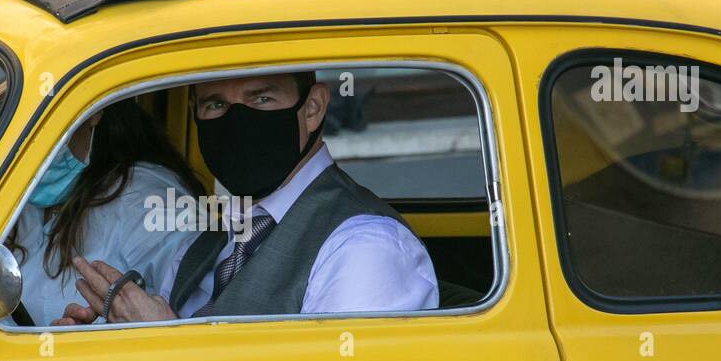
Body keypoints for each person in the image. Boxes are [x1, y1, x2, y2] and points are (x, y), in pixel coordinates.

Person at [55, 71, 438, 324]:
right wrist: (107, 342)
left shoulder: (365, 248)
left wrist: (161, 341)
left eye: (262, 99)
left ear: (313, 109)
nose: (237, 122)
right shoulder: (205, 243)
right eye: (215, 104)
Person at [8, 97, 202, 325]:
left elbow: (194, 324)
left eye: (40, 119)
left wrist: (98, 341)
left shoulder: (148, 201)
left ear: (93, 112)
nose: (25, 138)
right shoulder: (15, 197)